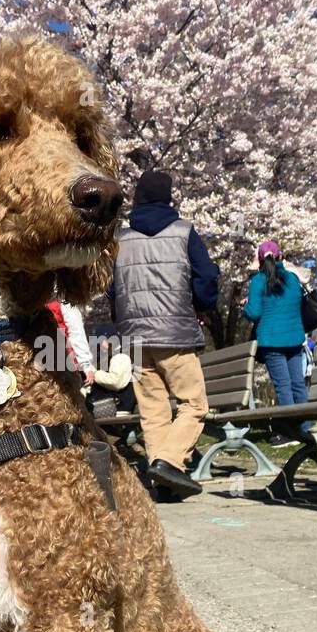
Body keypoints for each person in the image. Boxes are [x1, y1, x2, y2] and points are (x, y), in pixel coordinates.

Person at [112, 168, 219, 497]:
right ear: (167, 197)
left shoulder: (120, 238)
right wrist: (202, 303)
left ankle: (162, 480)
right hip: (175, 334)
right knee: (194, 404)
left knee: (153, 410)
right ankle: (170, 462)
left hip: (136, 338)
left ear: (137, 198)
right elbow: (207, 277)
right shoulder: (183, 232)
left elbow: (111, 290)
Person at [244, 240, 310, 448]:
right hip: (294, 338)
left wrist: (245, 306)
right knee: (297, 383)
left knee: (283, 386)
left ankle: (288, 432)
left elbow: (254, 312)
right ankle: (304, 428)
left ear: (261, 260)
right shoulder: (292, 279)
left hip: (271, 340)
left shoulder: (258, 281)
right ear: (281, 257)